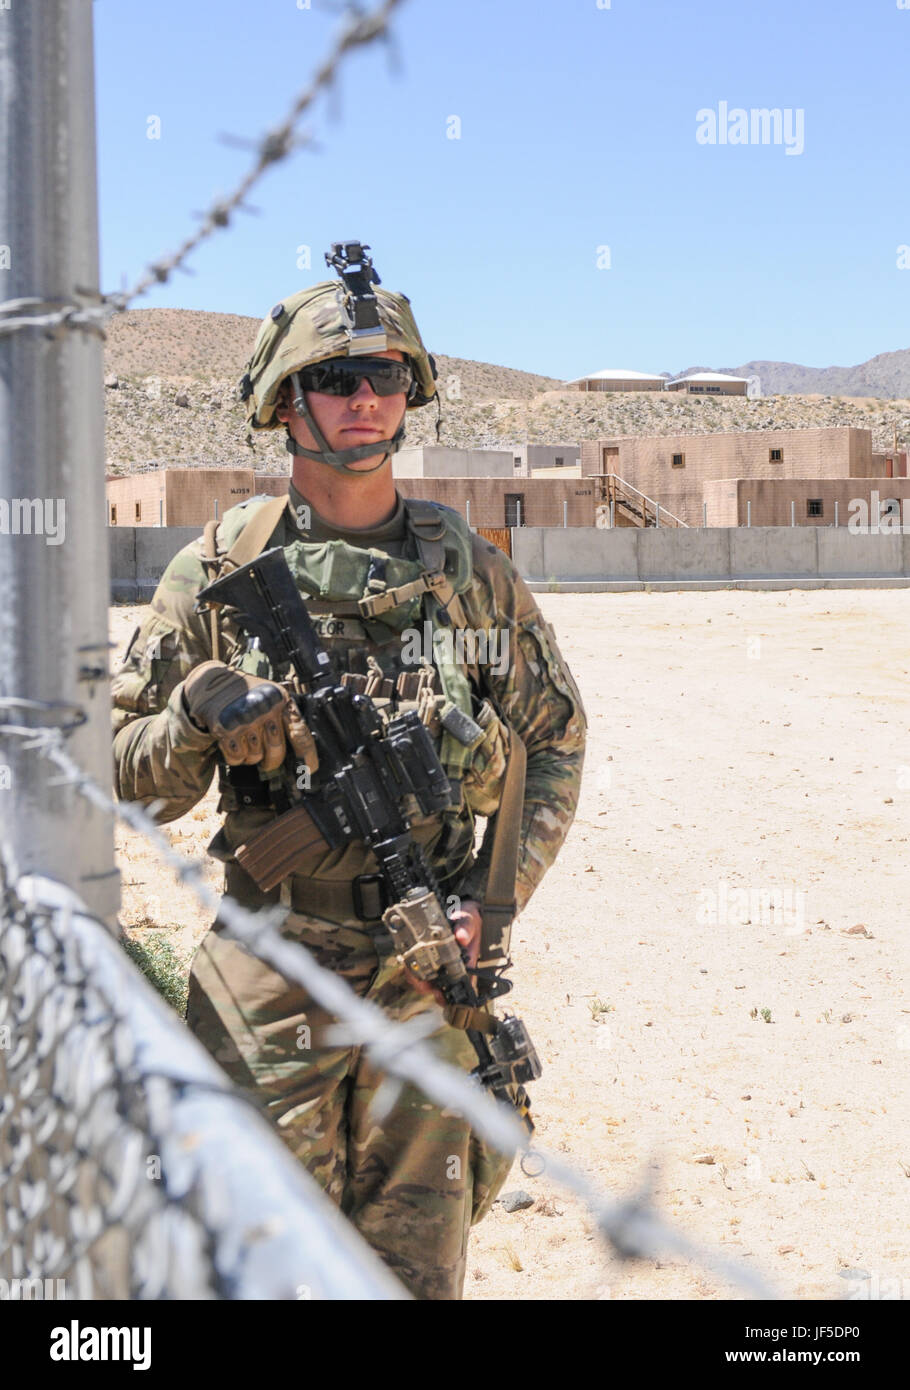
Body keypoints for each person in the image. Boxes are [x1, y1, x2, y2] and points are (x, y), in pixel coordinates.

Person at [110, 246, 587, 1299]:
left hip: (424, 979)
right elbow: (122, 773)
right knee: (257, 1270)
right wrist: (197, 713)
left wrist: (494, 902)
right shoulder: (220, 570)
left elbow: (553, 737)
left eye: (385, 377)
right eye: (335, 378)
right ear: (287, 404)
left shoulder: (462, 567)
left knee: (417, 1275)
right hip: (271, 972)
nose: (364, 398)